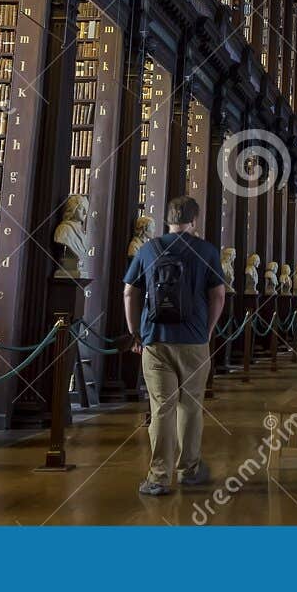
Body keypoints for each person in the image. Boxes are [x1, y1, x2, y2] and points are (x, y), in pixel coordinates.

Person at [123, 196, 226, 497]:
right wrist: (207, 330)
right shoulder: (206, 250)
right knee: (191, 407)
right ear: (194, 221)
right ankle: (190, 470)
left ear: (167, 219)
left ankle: (158, 478)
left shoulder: (148, 249)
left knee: (162, 409)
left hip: (155, 341)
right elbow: (218, 295)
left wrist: (135, 332)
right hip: (194, 341)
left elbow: (130, 293)